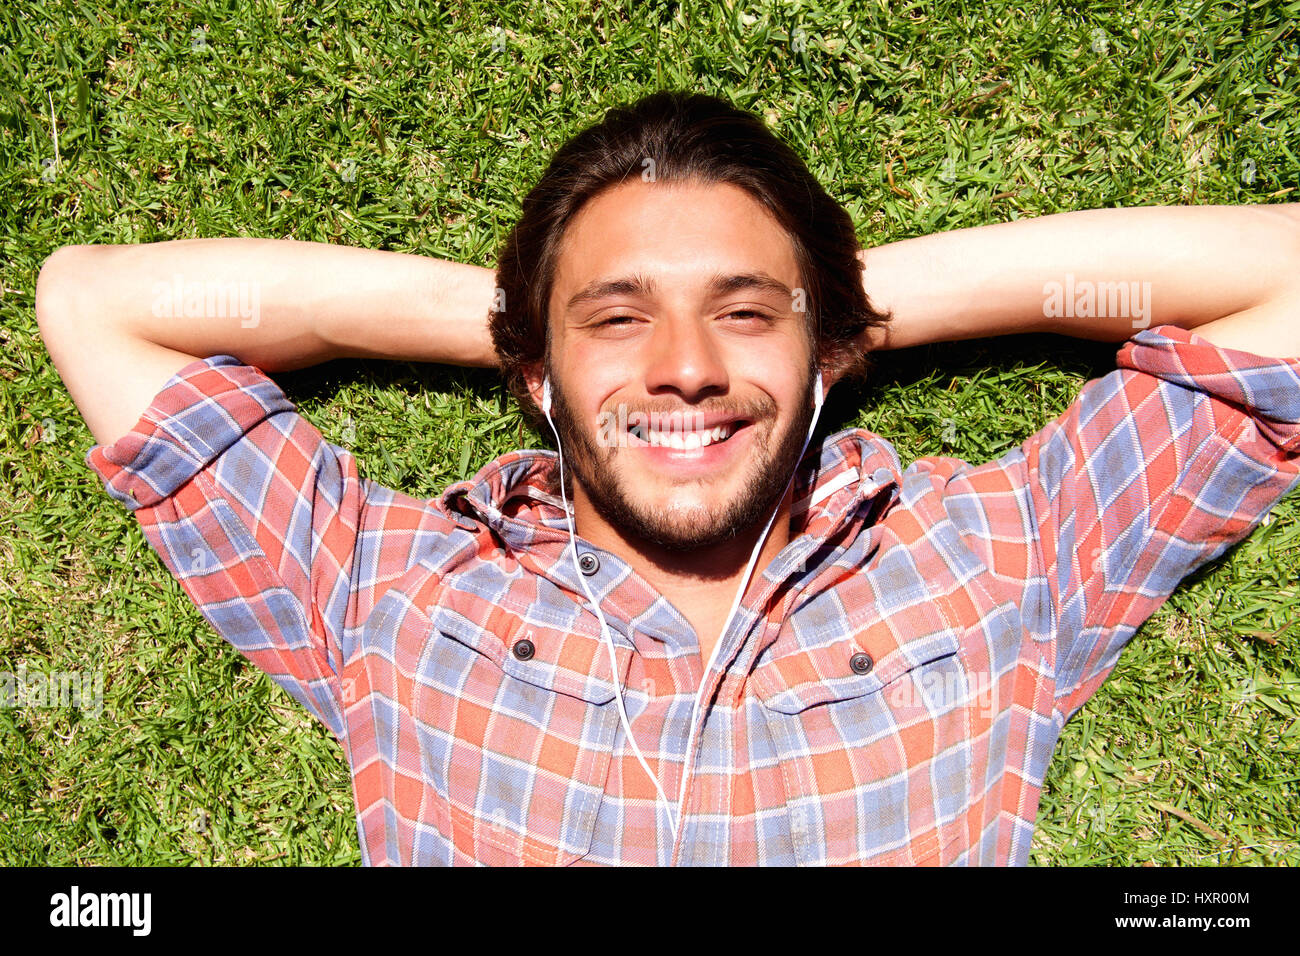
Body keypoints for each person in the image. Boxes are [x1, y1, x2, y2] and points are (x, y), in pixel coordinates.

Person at [35, 91, 1300, 866]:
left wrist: (837, 311)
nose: (687, 368)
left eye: (741, 316)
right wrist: (526, 318)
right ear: (534, 369)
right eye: (621, 320)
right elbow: (96, 302)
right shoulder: (391, 591)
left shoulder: (995, 556)